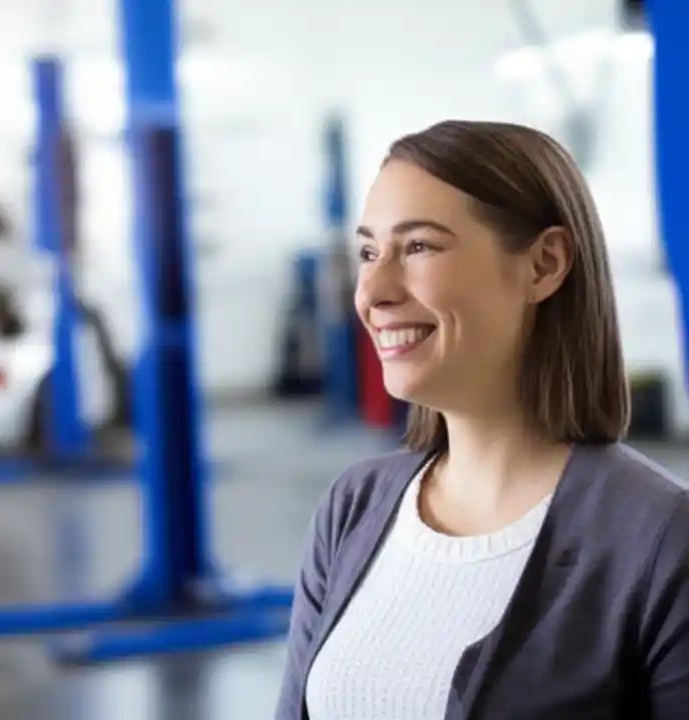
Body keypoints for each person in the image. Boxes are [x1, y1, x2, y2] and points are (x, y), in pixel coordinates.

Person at [277, 120, 689, 719]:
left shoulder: (657, 543)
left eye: (419, 246)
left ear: (544, 265)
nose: (374, 290)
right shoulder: (352, 511)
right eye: (368, 251)